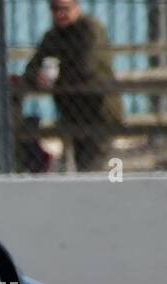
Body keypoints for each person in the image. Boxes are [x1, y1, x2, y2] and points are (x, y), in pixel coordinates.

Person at [22, 0, 123, 172]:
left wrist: (56, 76)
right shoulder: (53, 36)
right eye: (54, 9)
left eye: (65, 9)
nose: (59, 14)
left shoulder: (89, 29)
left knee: (92, 166)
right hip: (71, 113)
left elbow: (86, 67)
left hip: (98, 110)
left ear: (76, 8)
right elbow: (32, 67)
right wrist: (38, 77)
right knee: (77, 166)